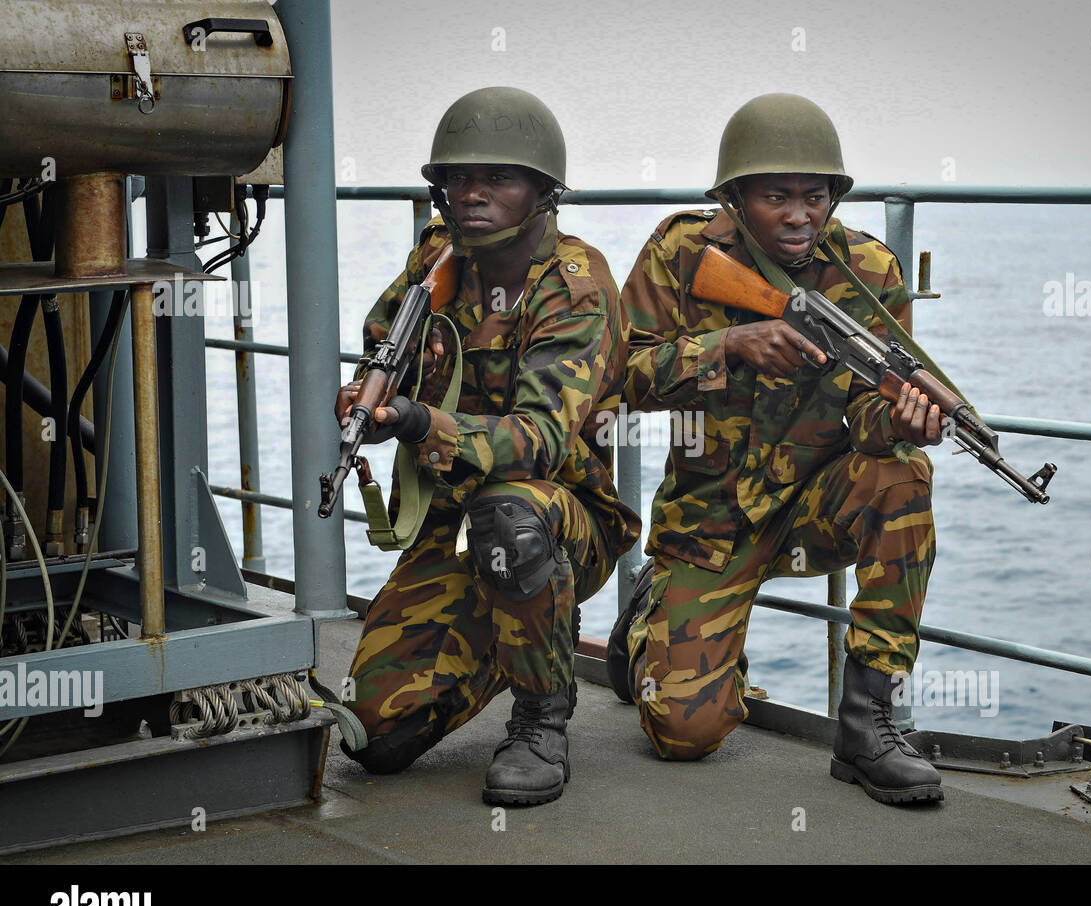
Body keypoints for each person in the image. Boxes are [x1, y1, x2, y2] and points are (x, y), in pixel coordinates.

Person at [608, 92, 945, 804]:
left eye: (815, 196)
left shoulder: (868, 273)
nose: (800, 215)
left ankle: (867, 724)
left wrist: (905, 421)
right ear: (734, 197)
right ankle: (648, 625)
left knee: (903, 475)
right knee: (684, 734)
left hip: (813, 508)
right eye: (777, 197)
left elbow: (868, 413)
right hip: (711, 520)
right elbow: (621, 376)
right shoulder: (682, 253)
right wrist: (726, 346)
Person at [335, 87, 639, 806]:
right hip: (454, 521)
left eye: (498, 177)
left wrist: (415, 422)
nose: (473, 193)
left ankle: (540, 721)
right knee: (374, 739)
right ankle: (511, 637)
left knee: (510, 514)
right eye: (459, 178)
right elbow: (386, 345)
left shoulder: (575, 285)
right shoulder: (438, 263)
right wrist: (364, 396)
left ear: (540, 189)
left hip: (560, 516)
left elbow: (539, 441)